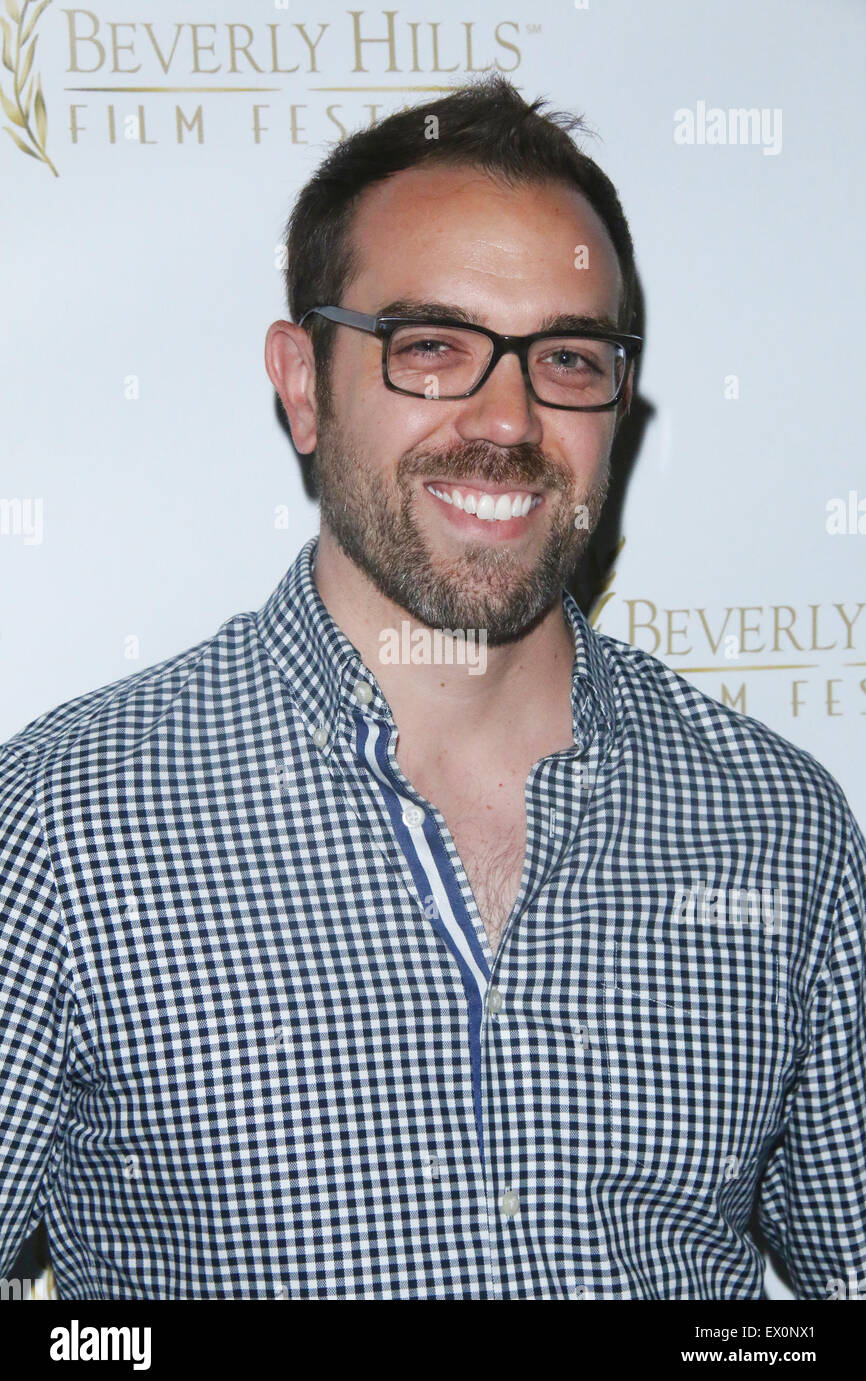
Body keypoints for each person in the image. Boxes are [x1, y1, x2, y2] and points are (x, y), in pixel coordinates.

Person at [1, 75, 864, 1301]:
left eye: (567, 357)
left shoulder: (777, 826)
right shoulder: (64, 824)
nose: (504, 419)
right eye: (432, 347)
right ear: (303, 383)